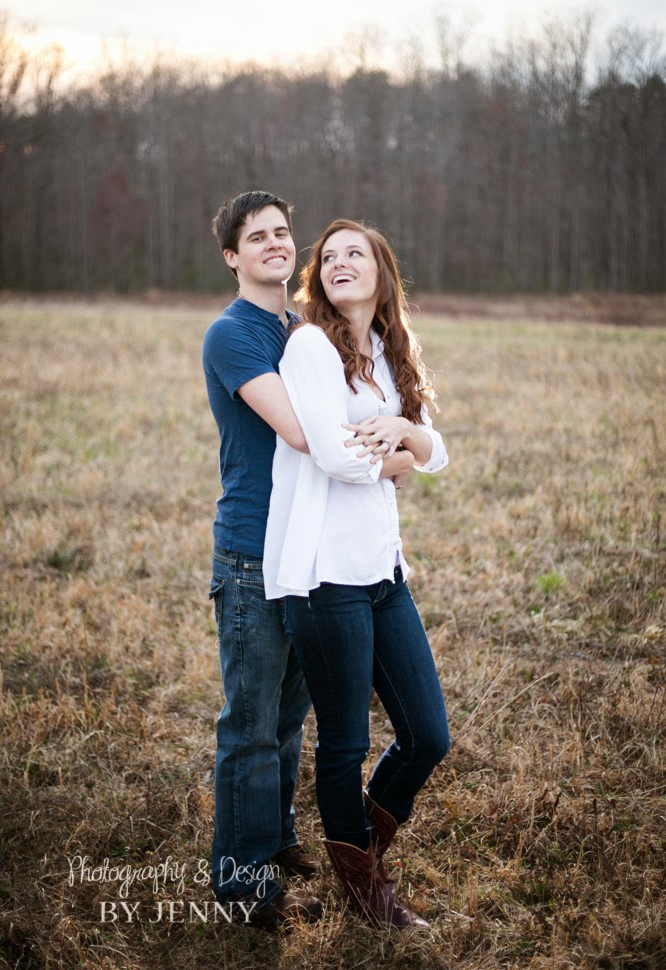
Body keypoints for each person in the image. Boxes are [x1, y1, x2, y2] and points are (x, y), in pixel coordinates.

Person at [263, 218, 451, 930]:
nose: (340, 262)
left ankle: (359, 853)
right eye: (329, 255)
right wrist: (400, 455)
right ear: (318, 276)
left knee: (428, 735)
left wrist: (405, 434)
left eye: (356, 253)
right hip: (324, 577)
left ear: (381, 273)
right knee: (344, 743)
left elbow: (439, 451)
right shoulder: (311, 346)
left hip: (382, 571)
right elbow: (337, 458)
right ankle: (368, 893)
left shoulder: (389, 350)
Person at [202, 190, 323, 927]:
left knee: (288, 715)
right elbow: (302, 427)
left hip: (306, 548)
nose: (276, 243)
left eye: (283, 232)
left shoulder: (303, 328)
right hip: (252, 550)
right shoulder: (231, 334)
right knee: (249, 723)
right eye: (258, 237)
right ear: (232, 256)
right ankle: (241, 885)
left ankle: (274, 838)